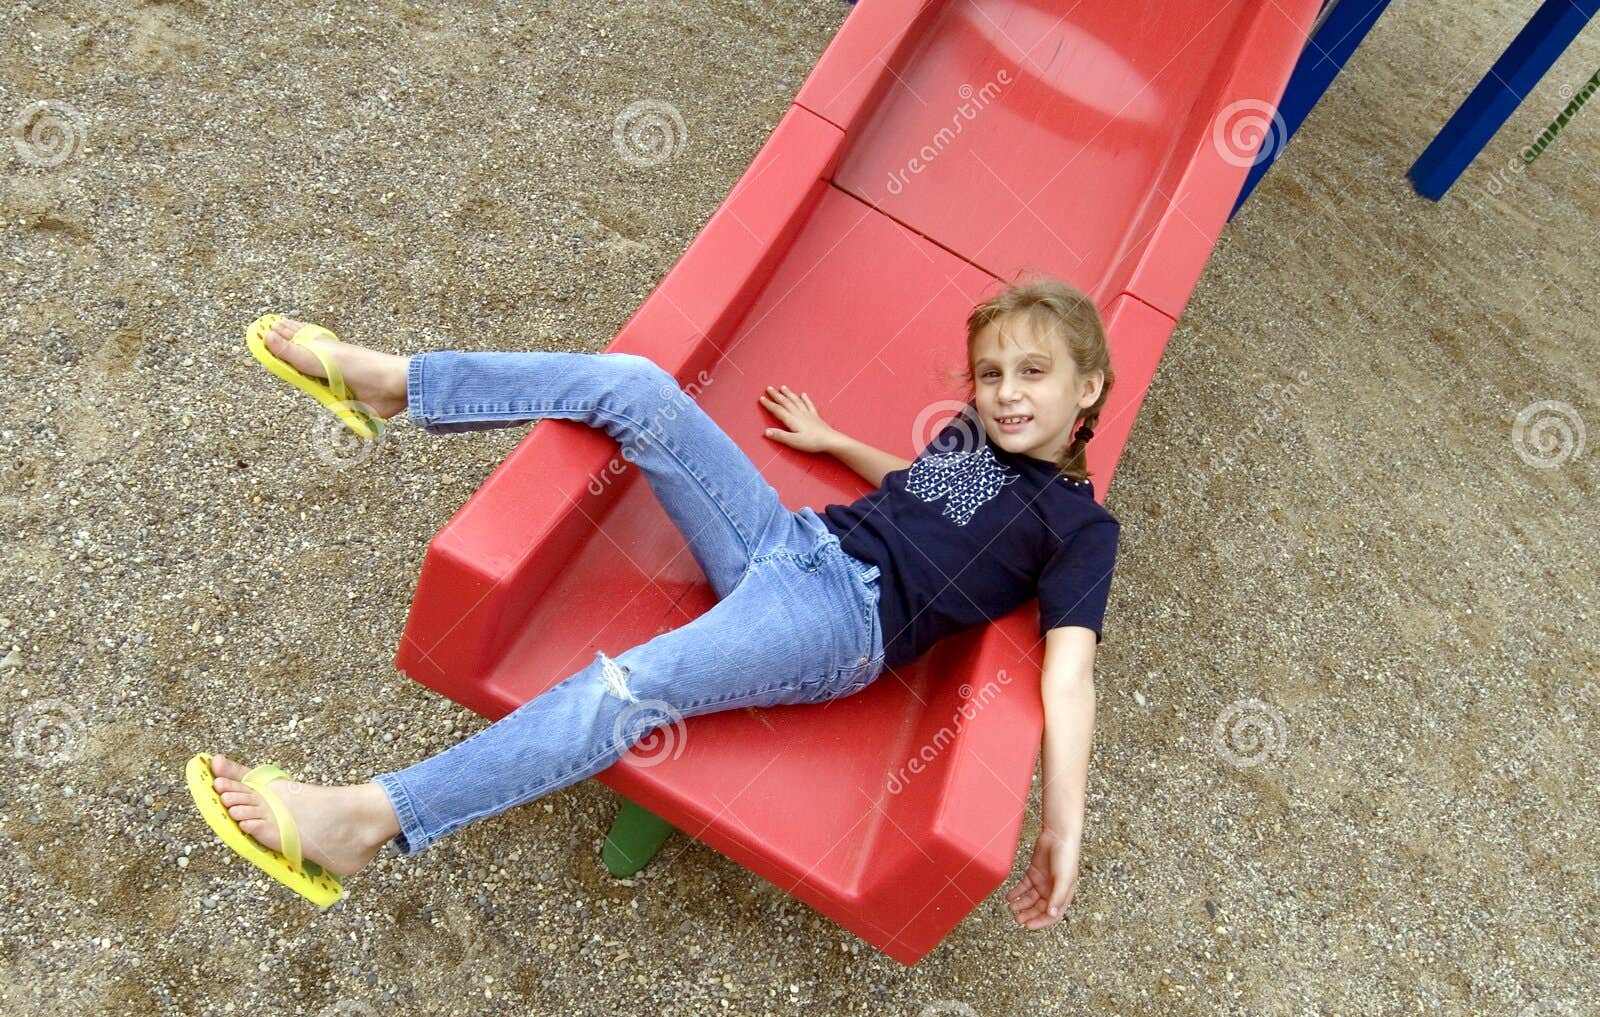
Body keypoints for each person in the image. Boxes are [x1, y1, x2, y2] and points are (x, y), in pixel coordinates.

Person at [202, 274, 1119, 932]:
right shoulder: (974, 437)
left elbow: (1068, 677)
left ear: (1087, 390)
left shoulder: (1078, 529)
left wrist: (1060, 825)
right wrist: (834, 440)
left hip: (838, 624)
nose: (1005, 393)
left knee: (626, 689)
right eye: (990, 373)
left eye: (1033, 373)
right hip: (790, 540)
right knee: (636, 385)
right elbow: (924, 491)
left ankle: (366, 820)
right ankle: (400, 384)